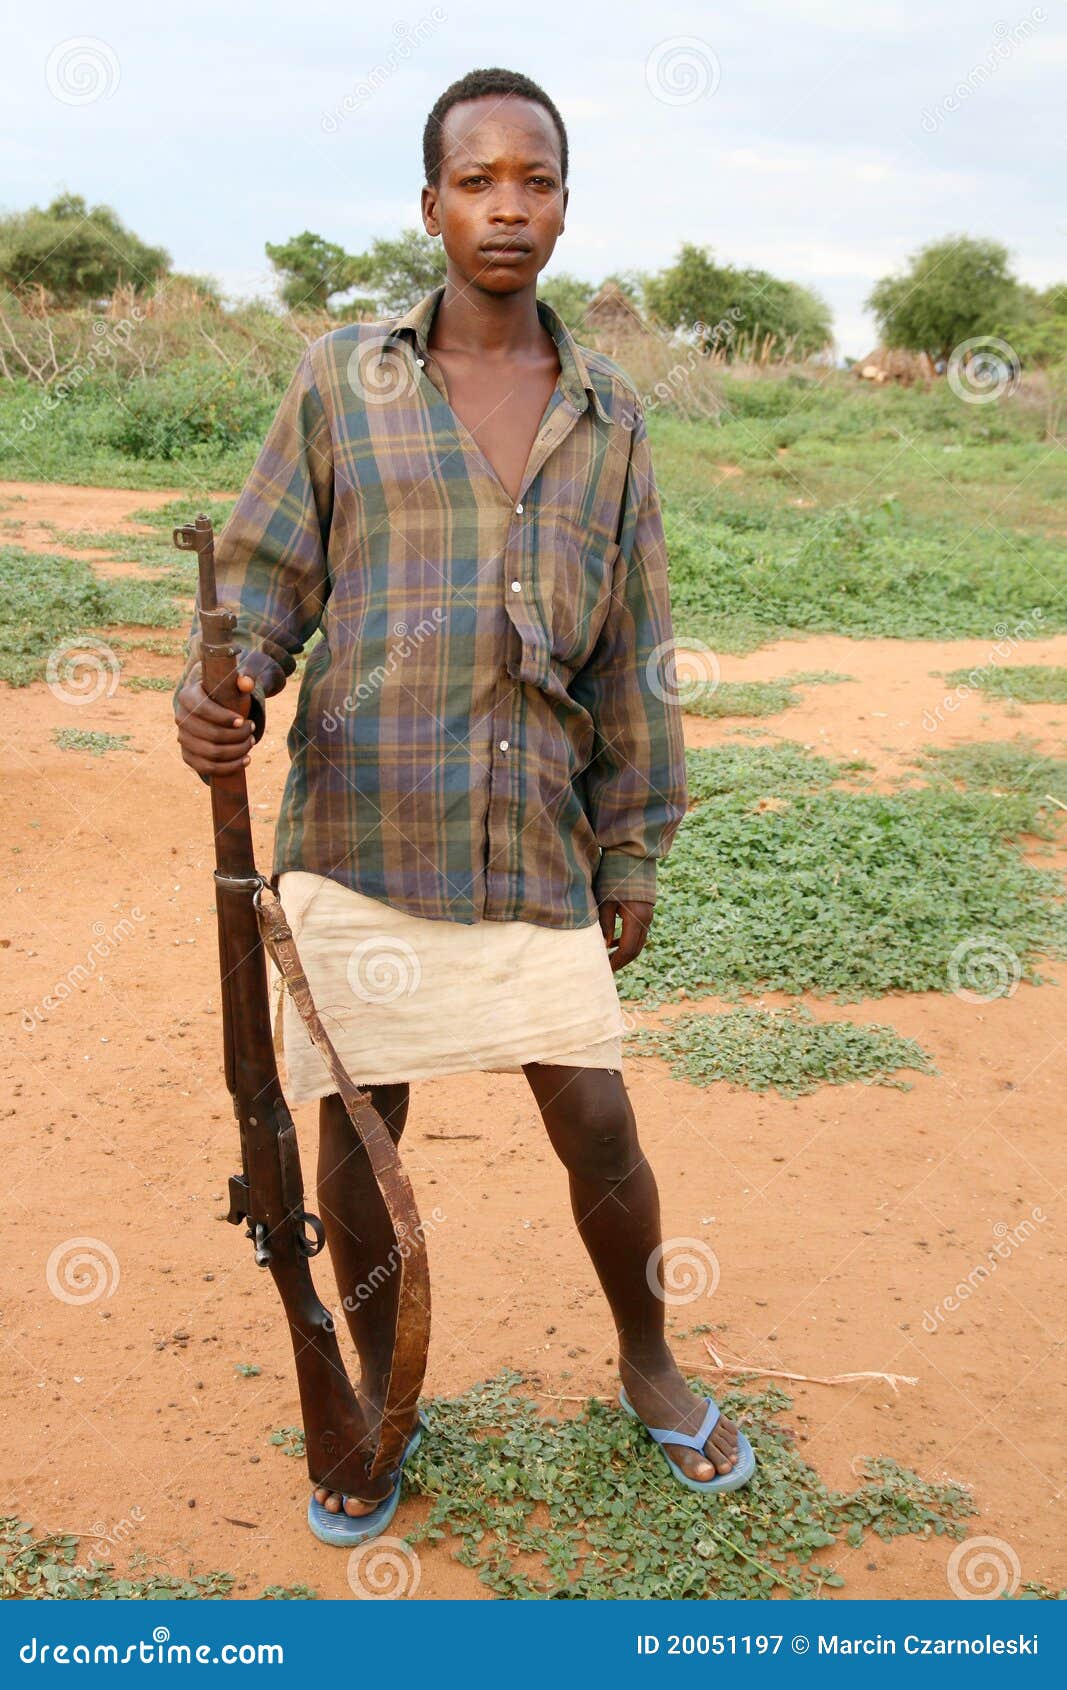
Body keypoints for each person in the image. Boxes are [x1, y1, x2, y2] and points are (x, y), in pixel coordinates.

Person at [174, 65, 754, 1545]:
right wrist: (220, 689)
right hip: (365, 842)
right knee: (362, 1149)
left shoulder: (613, 415)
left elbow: (634, 646)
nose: (509, 205)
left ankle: (648, 1359)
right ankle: (382, 1388)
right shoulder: (341, 382)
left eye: (536, 179)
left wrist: (630, 840)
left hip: (535, 842)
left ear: (565, 202)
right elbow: (258, 588)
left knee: (602, 1128)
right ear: (429, 205)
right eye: (479, 179)